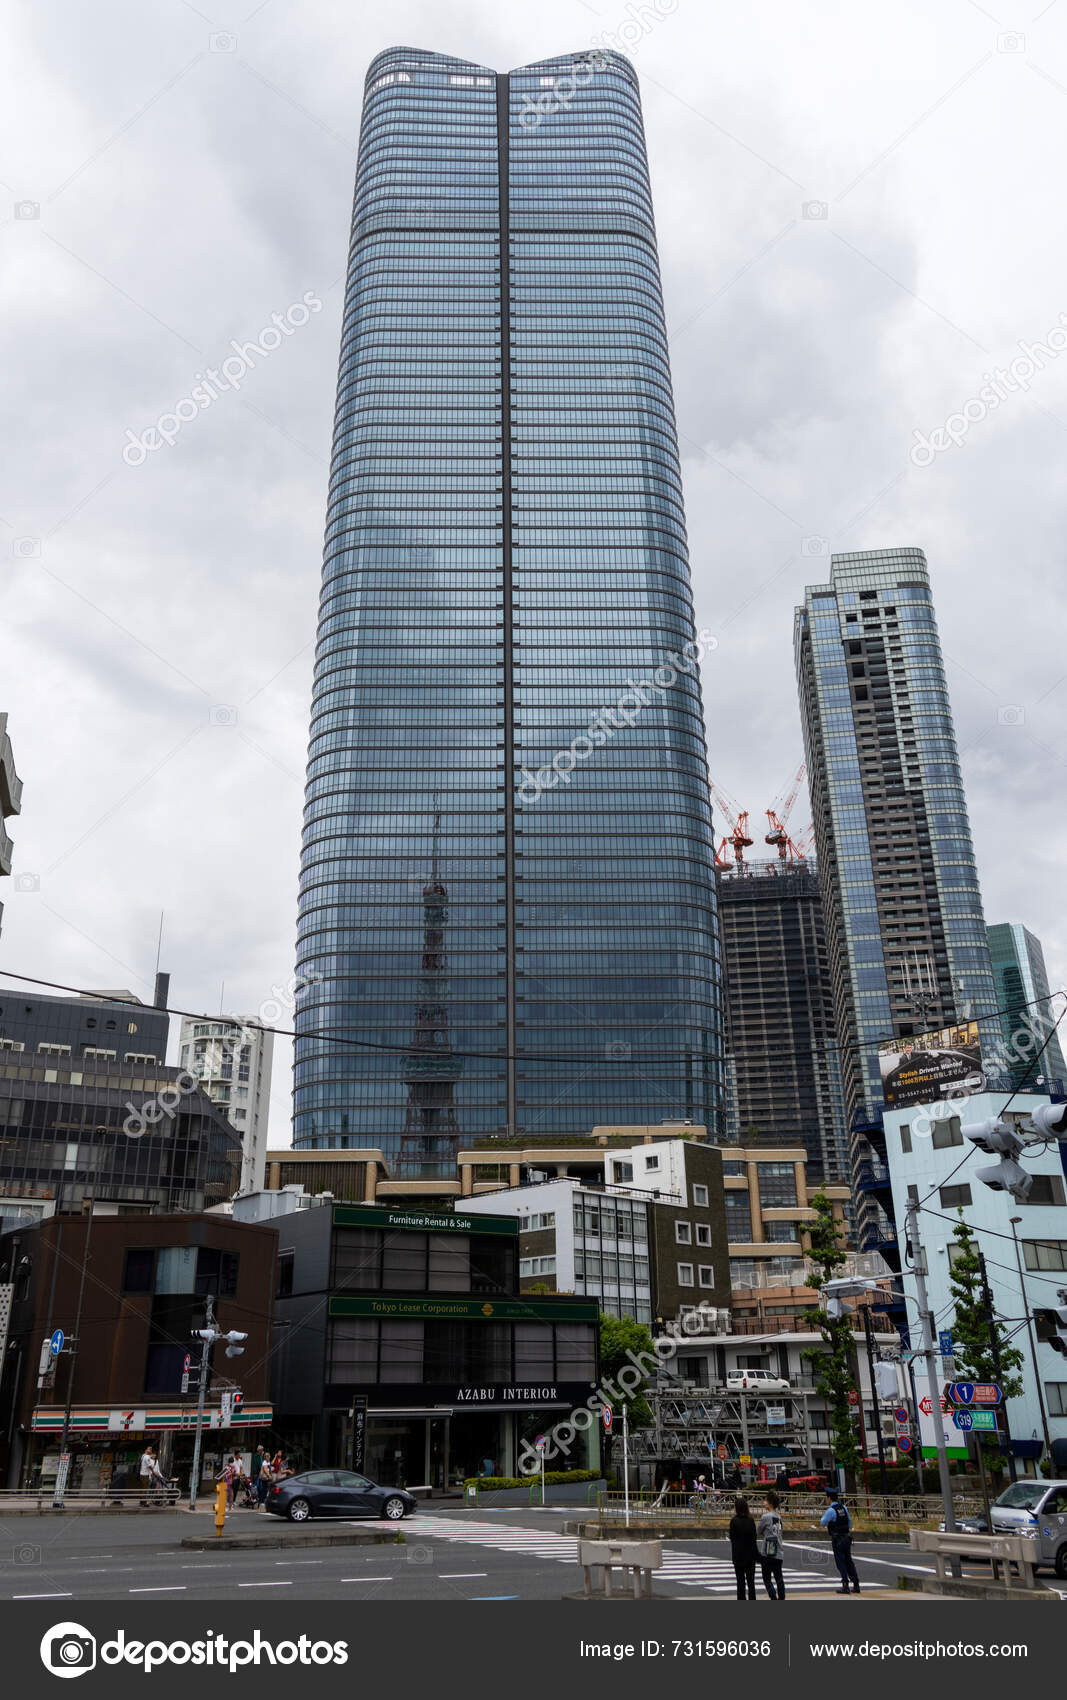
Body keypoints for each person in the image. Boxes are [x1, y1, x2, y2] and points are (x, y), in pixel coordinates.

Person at [821, 1489, 860, 1593]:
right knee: (849, 1561)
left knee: (840, 1562)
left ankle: (845, 1585)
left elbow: (822, 1523)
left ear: (829, 1498)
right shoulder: (844, 1508)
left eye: (826, 1498)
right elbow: (849, 1523)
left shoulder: (831, 1510)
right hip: (847, 1537)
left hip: (837, 1539)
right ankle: (856, 1584)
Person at [757, 1490, 786, 1600]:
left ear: (770, 1503)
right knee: (779, 1578)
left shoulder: (766, 1517)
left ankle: (773, 1597)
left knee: (767, 1578)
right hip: (779, 1551)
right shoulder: (779, 1517)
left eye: (765, 1500)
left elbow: (758, 1531)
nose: (764, 1502)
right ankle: (782, 1598)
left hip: (768, 1552)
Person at [729, 1496, 758, 1600]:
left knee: (740, 1582)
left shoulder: (734, 1521)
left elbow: (732, 1538)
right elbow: (754, 1538)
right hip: (750, 1556)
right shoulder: (751, 1521)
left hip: (738, 1556)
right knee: (751, 1582)